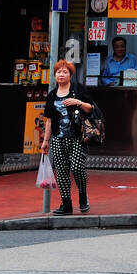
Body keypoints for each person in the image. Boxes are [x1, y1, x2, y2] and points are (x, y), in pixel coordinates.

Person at [41, 60, 95, 215]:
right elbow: (49, 120)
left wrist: (78, 102)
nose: (61, 74)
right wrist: (46, 141)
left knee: (77, 167)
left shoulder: (78, 90)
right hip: (58, 138)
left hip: (77, 137)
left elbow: (91, 108)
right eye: (59, 72)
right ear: (55, 75)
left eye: (65, 72)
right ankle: (66, 204)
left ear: (70, 75)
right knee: (62, 171)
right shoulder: (52, 95)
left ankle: (83, 196)